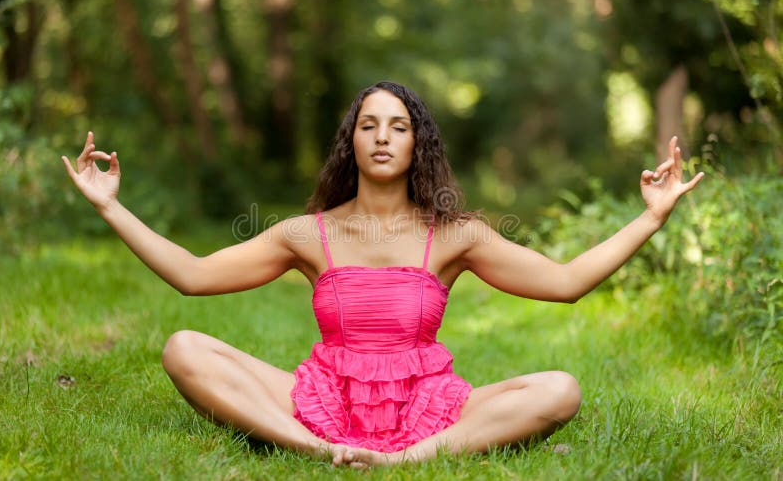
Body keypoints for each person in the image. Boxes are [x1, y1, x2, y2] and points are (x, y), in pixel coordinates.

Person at [62, 81, 704, 468]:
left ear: (417, 143)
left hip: (431, 410)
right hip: (320, 403)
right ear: (352, 142)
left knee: (560, 389)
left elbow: (565, 283)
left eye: (398, 127)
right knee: (183, 348)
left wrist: (651, 218)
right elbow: (193, 275)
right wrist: (109, 206)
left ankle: (407, 459)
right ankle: (320, 451)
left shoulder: (455, 233)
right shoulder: (306, 233)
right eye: (368, 125)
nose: (382, 137)